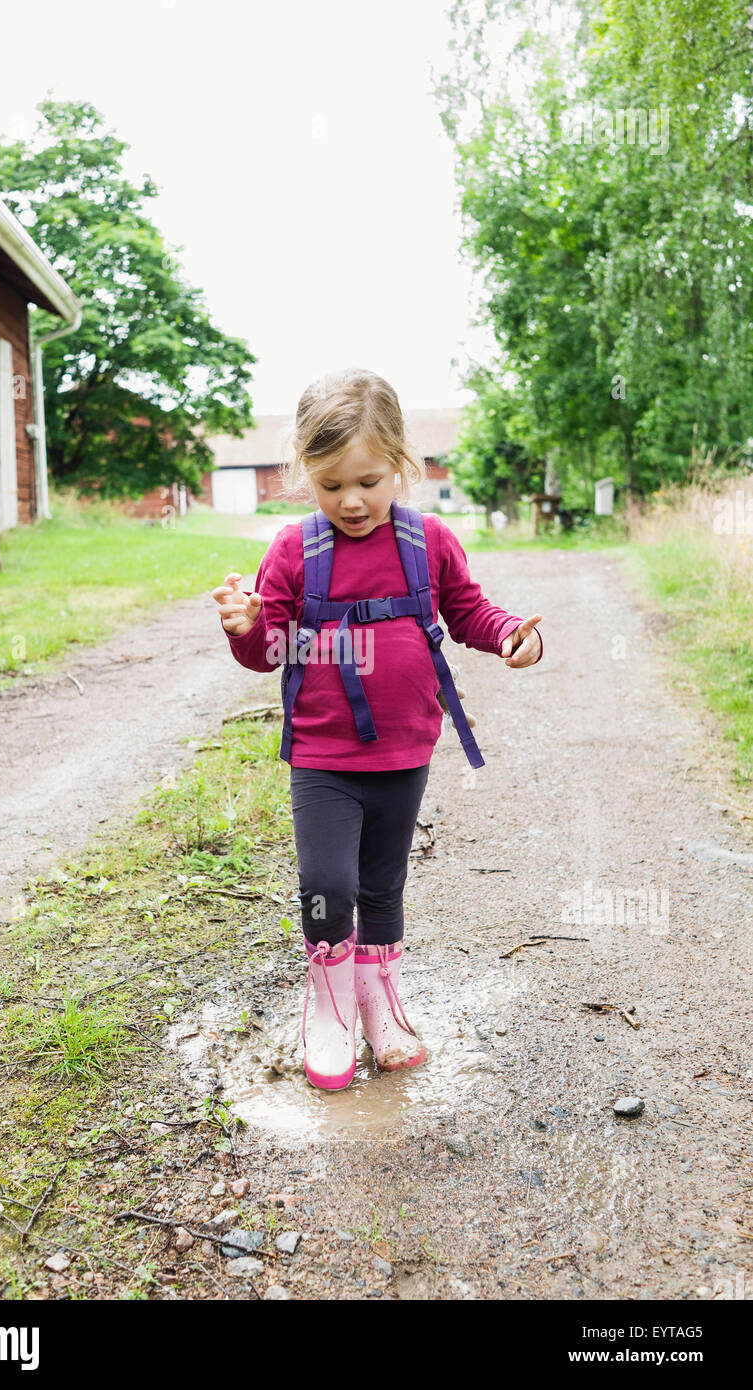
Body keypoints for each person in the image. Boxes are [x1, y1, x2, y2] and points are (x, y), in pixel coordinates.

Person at [212, 368, 543, 1091]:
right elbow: (265, 643)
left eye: (367, 480)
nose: (351, 500)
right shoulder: (296, 552)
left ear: (399, 463)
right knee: (326, 883)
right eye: (331, 486)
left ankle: (381, 1005)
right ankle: (329, 1009)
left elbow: (469, 614)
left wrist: (512, 634)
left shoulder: (429, 543)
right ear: (305, 476)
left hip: (404, 748)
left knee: (382, 885)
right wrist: (244, 626)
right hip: (322, 754)